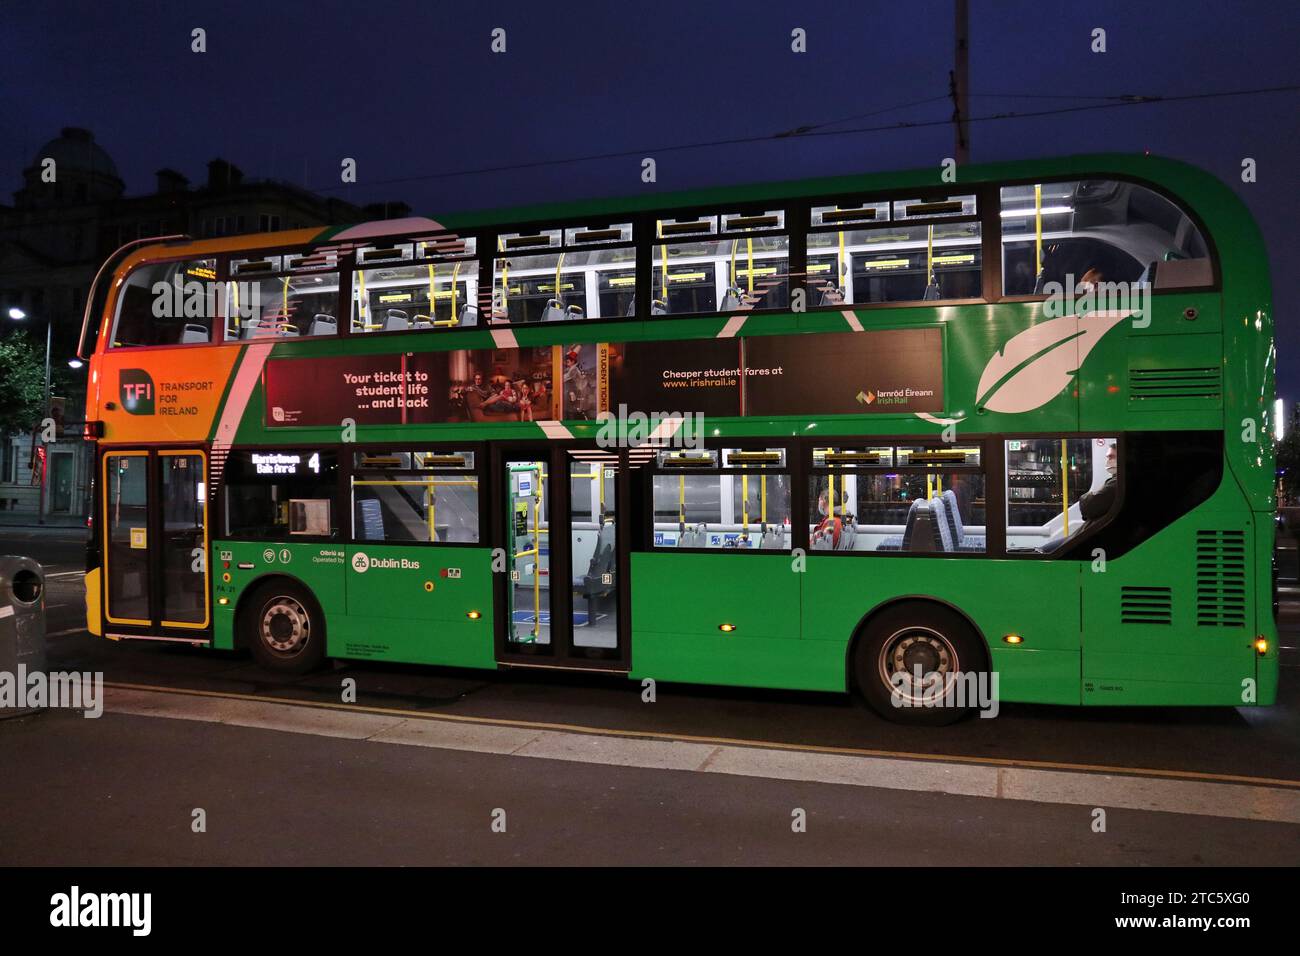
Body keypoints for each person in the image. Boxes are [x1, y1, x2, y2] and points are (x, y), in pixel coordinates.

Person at [1079, 443, 1117, 521]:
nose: (1108, 461)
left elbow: (1088, 506)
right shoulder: (1116, 479)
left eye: (1111, 457)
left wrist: (1084, 497)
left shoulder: (1116, 483)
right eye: (1107, 457)